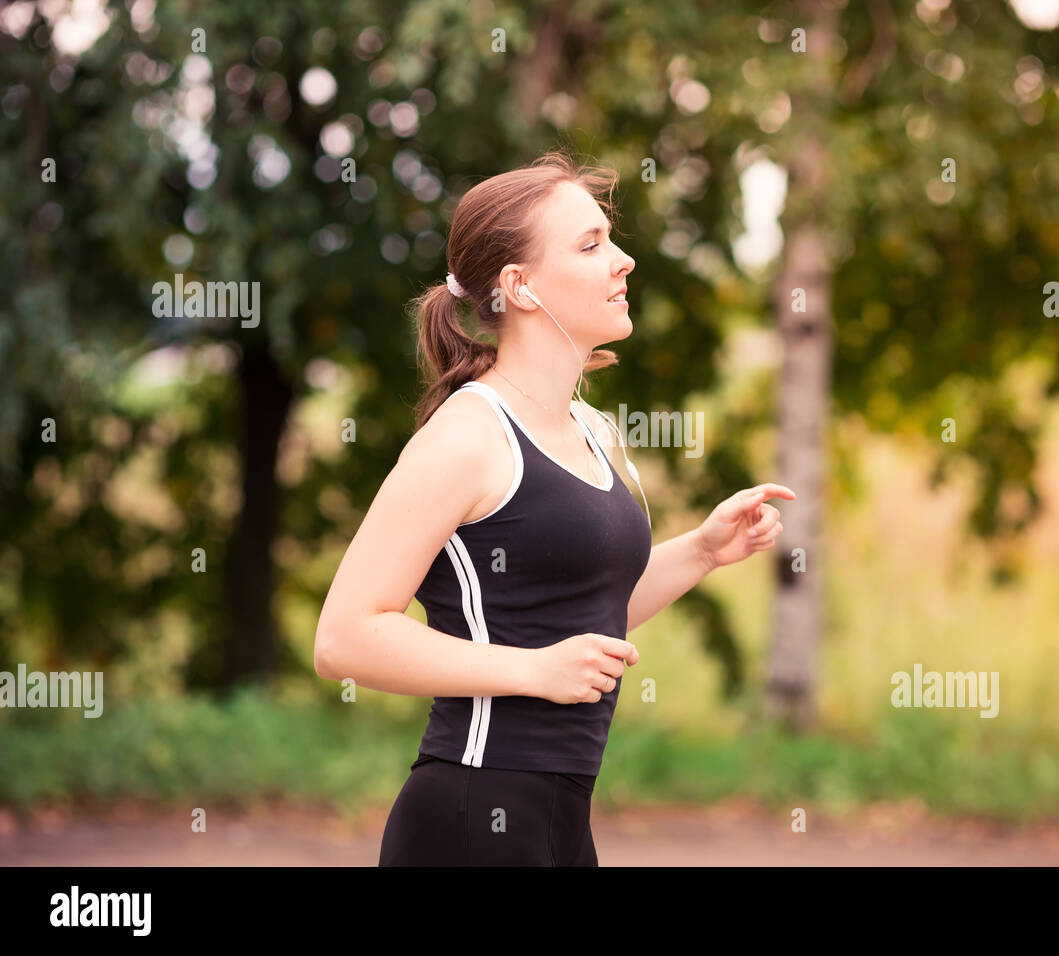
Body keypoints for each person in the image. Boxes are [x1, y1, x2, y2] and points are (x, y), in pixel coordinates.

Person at [313, 149, 795, 866]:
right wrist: (533, 670)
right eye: (592, 244)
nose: (623, 260)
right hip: (472, 817)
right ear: (522, 287)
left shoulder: (593, 429)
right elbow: (343, 639)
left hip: (563, 825)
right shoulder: (468, 436)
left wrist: (701, 550)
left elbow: (578, 623)